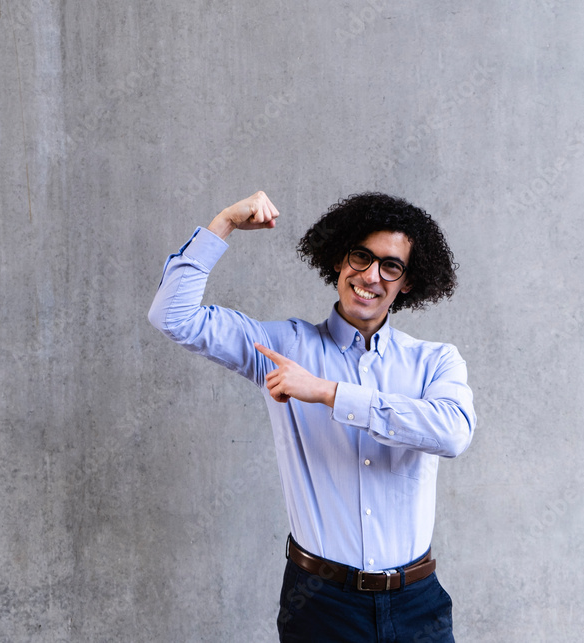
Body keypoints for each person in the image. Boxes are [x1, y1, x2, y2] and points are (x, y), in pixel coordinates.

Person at [148, 190, 475, 642]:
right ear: (340, 260)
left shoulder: (436, 362)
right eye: (362, 257)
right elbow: (173, 316)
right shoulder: (282, 349)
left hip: (416, 604)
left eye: (391, 266)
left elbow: (453, 433)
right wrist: (222, 223)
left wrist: (326, 392)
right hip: (320, 605)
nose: (372, 277)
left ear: (408, 283)